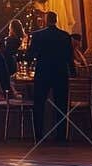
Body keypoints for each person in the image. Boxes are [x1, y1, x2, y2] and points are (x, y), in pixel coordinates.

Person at [29, 11, 74, 142]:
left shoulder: (37, 35)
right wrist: (72, 72)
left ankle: (38, 135)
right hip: (60, 73)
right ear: (56, 20)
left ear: (45, 20)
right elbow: (69, 56)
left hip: (43, 72)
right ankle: (61, 136)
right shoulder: (65, 36)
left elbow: (30, 54)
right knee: (61, 105)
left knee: (39, 104)